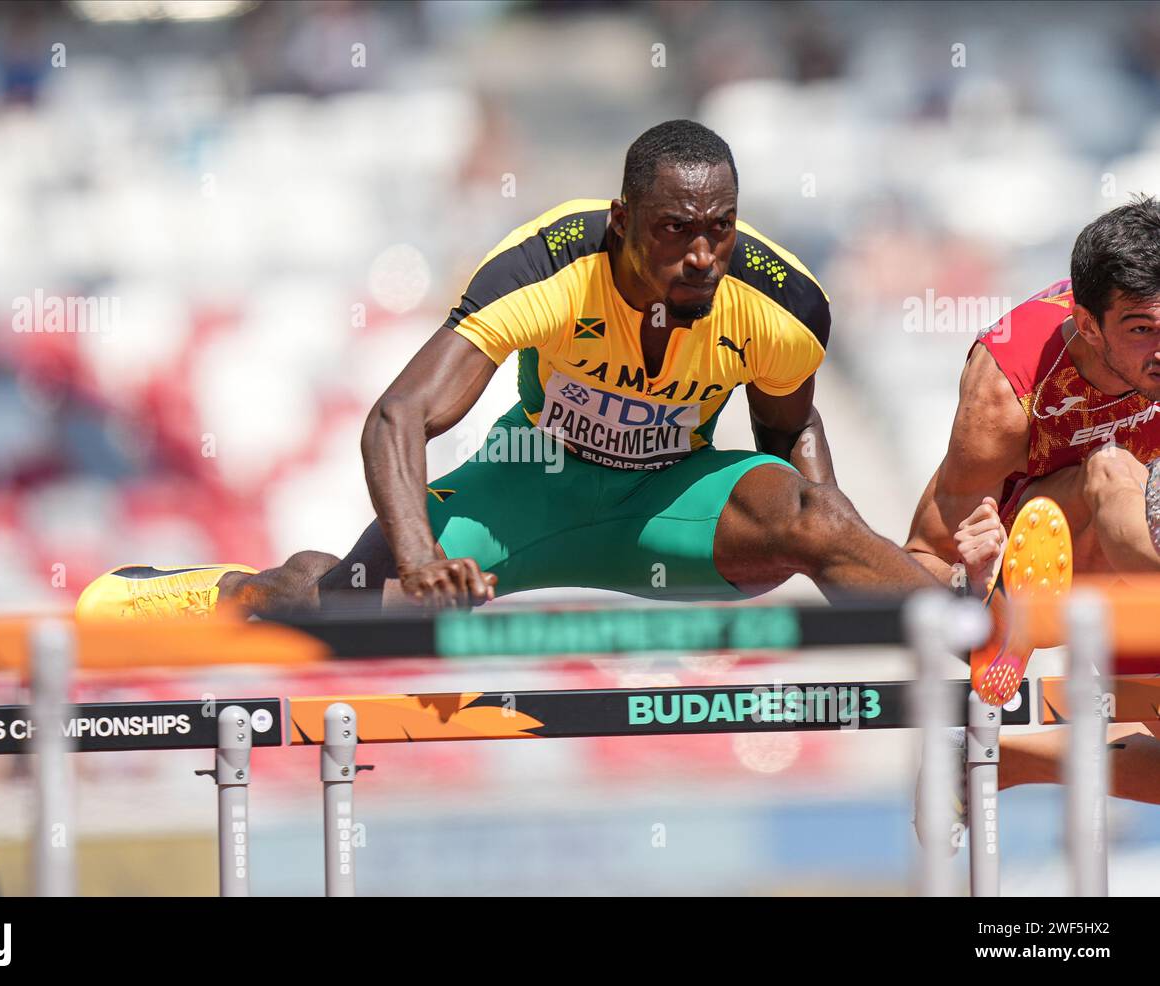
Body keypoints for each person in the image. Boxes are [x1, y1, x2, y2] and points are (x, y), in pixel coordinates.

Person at [76, 119, 940, 623]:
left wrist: (847, 558)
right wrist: (418, 561)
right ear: (621, 222)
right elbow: (398, 416)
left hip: (671, 504)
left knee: (818, 519)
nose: (703, 256)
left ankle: (971, 631)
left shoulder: (782, 303)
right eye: (676, 230)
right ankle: (212, 594)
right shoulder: (547, 266)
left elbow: (789, 430)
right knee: (337, 610)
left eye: (720, 228)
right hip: (531, 484)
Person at [906, 197, 1160, 841]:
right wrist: (975, 583)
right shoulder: (1009, 387)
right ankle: (1021, 615)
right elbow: (922, 554)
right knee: (1112, 471)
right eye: (1141, 330)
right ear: (1088, 324)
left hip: (1131, 576)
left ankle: (994, 762)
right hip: (1040, 554)